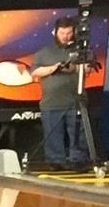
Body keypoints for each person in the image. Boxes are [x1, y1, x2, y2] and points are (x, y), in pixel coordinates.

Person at [29, 14, 94, 172]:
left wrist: (73, 68)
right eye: (62, 33)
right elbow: (35, 72)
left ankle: (77, 161)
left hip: (75, 101)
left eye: (68, 33)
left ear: (74, 32)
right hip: (51, 102)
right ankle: (55, 161)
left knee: (78, 134)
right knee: (53, 135)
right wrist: (56, 67)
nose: (65, 37)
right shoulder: (44, 52)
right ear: (55, 32)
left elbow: (89, 68)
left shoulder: (82, 50)